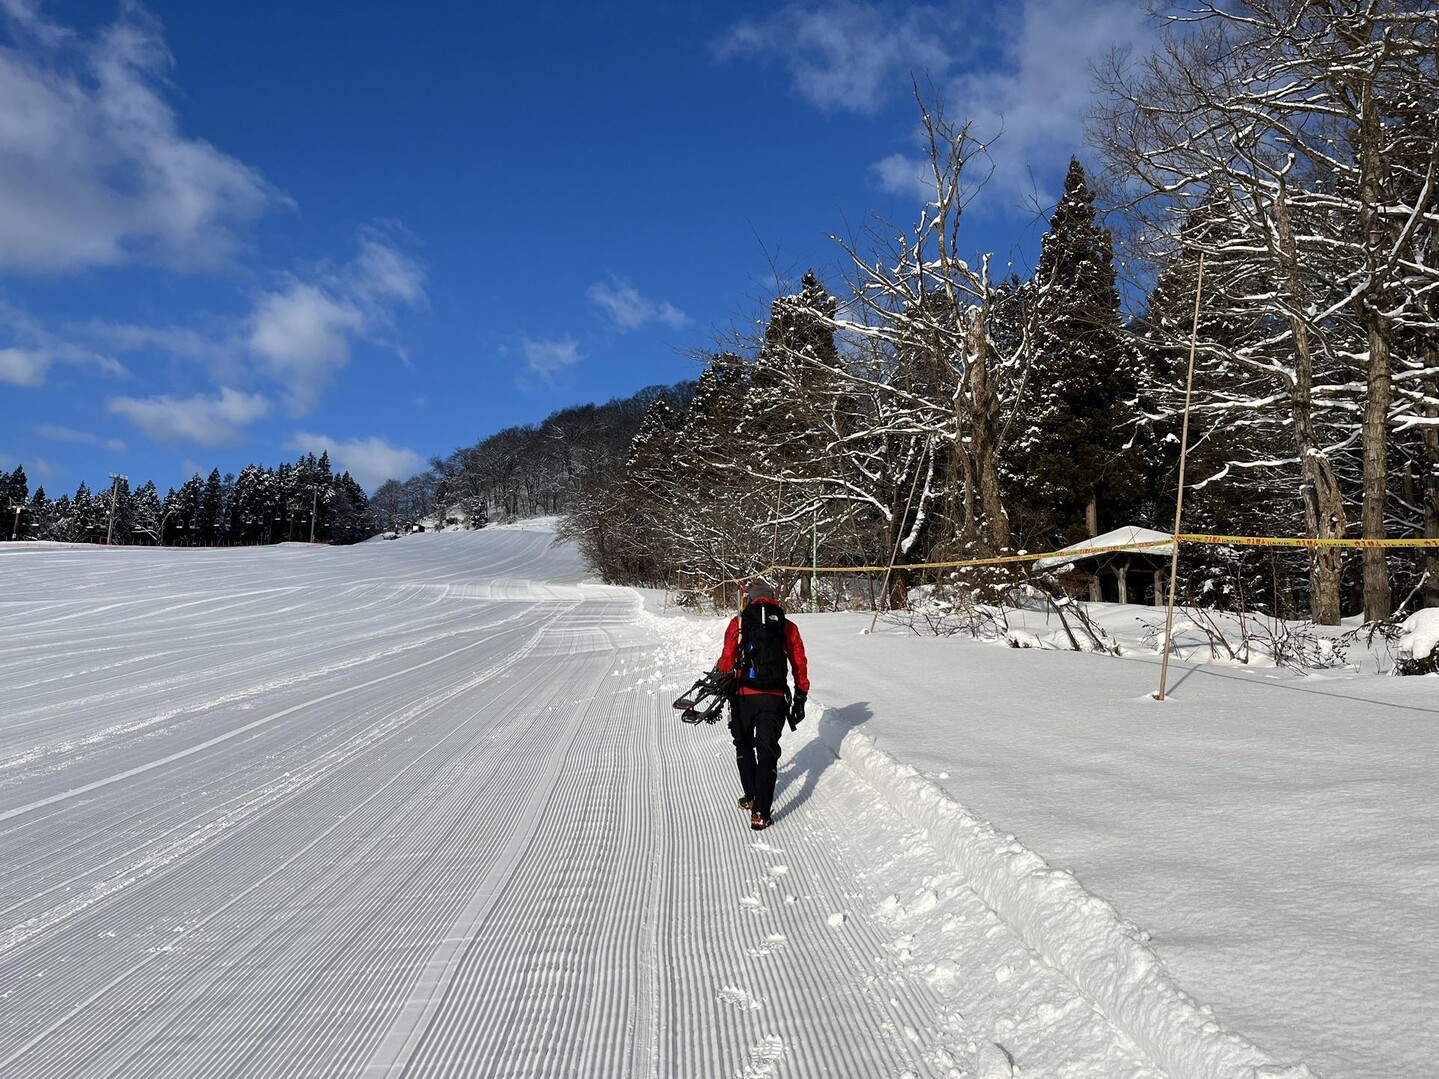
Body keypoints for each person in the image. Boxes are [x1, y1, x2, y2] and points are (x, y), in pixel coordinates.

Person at [715, 579, 810, 830]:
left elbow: (727, 659)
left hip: (744, 696)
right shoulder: (787, 627)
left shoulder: (740, 622)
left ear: (751, 600)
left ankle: (750, 796)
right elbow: (799, 663)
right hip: (774, 697)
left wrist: (720, 678)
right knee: (767, 750)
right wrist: (800, 694)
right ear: (773, 600)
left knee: (744, 742)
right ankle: (760, 813)